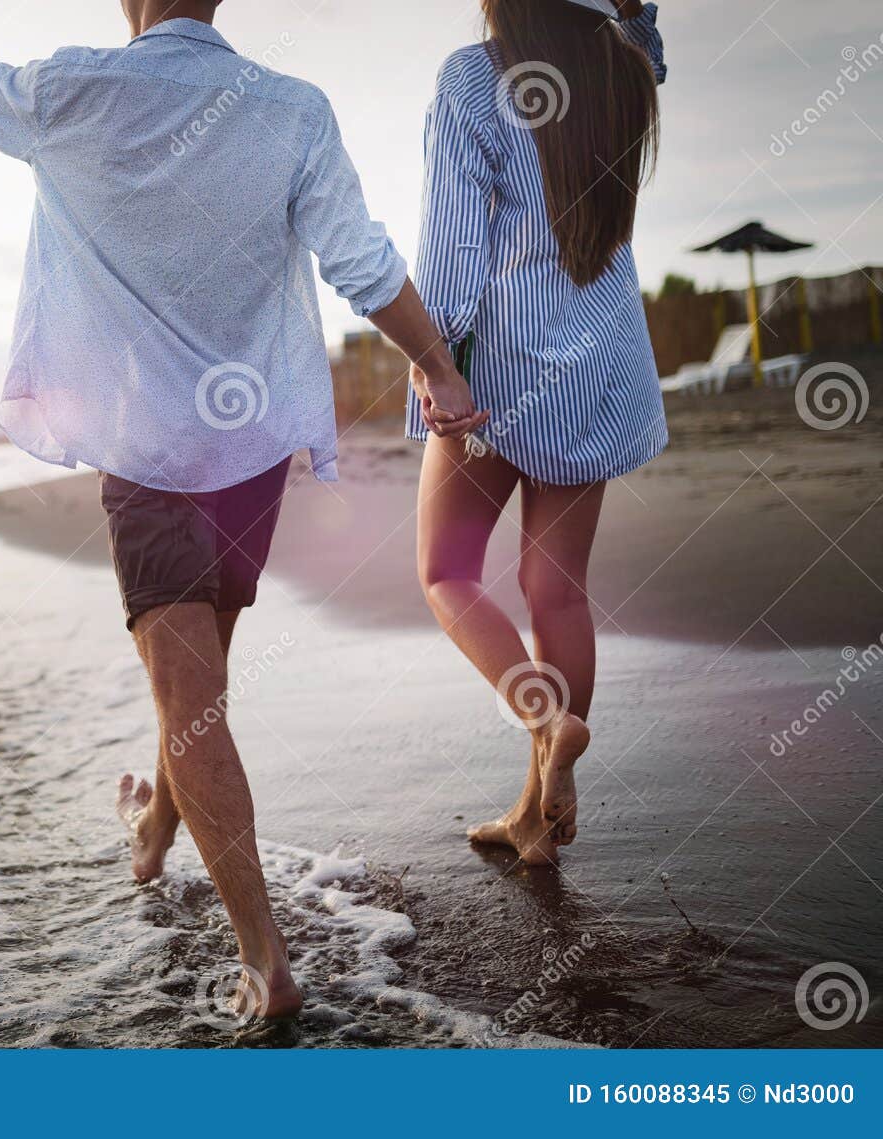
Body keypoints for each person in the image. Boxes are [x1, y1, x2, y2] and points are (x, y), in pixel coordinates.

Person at [0, 1, 485, 1022]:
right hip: (251, 452)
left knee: (190, 698)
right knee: (197, 689)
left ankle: (265, 959)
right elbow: (360, 260)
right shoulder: (291, 108)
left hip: (149, 453)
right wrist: (436, 365)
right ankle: (152, 833)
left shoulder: (69, 88)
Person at [409, 0, 667, 864]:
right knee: (556, 589)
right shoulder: (625, 70)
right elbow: (643, 38)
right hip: (599, 358)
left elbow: (451, 250)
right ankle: (538, 815)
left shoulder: (474, 77)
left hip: (498, 368)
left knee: (447, 572)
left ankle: (548, 722)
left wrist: (432, 358)